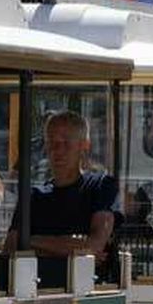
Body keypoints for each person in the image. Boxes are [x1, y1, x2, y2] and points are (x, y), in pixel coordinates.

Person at [28, 109, 120, 269]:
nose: (58, 150)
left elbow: (94, 246)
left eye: (66, 143)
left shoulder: (101, 186)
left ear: (84, 145)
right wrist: (76, 249)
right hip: (39, 288)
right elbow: (12, 247)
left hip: (90, 288)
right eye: (51, 142)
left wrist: (30, 241)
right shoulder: (33, 195)